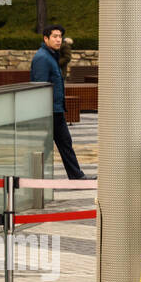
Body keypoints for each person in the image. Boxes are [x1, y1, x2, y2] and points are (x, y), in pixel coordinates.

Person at [30, 24, 89, 181]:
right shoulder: (42, 58)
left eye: (60, 36)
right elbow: (40, 86)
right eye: (54, 36)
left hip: (55, 109)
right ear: (46, 38)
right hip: (49, 111)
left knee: (63, 143)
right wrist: (43, 111)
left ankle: (76, 175)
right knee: (47, 146)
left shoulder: (51, 55)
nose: (58, 39)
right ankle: (33, 176)